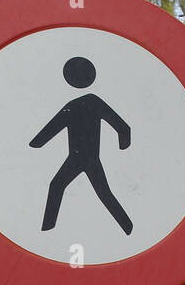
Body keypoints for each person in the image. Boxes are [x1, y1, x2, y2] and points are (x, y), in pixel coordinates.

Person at [29, 56, 133, 235]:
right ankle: (128, 227)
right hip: (84, 158)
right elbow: (123, 127)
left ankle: (46, 230)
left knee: (61, 186)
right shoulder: (90, 102)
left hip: (81, 158)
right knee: (99, 192)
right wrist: (123, 143)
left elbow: (51, 128)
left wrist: (35, 144)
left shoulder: (76, 105)